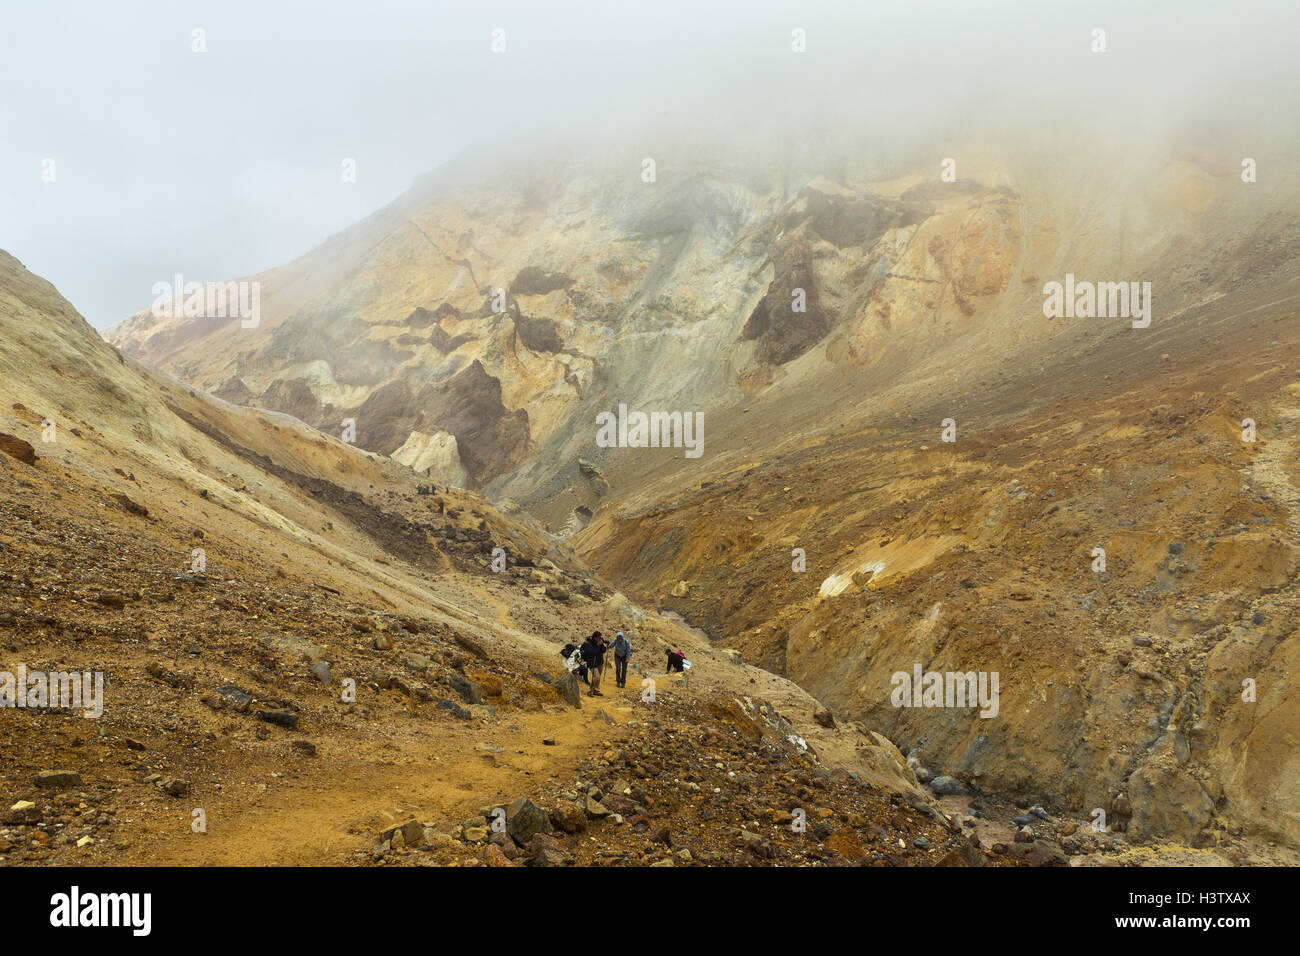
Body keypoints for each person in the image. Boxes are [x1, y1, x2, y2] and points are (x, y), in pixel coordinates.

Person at [581, 631, 606, 697]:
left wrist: (602, 645)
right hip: (592, 663)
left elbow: (604, 650)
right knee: (596, 677)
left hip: (599, 662)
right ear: (595, 637)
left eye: (600, 637)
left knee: (598, 677)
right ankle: (590, 691)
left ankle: (596, 690)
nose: (599, 639)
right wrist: (597, 645)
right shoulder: (589, 643)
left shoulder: (599, 641)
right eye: (598, 637)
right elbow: (592, 652)